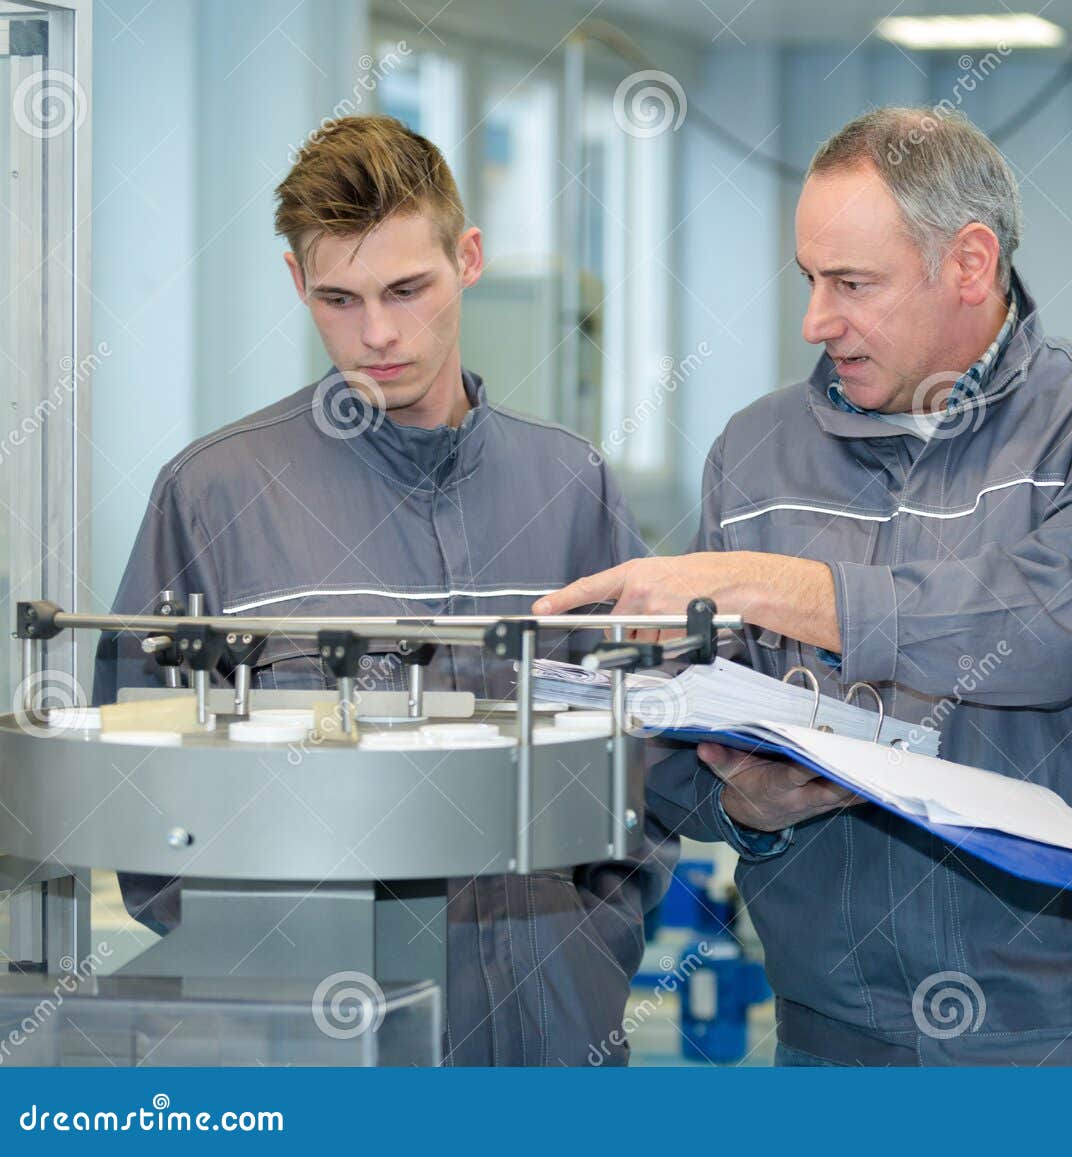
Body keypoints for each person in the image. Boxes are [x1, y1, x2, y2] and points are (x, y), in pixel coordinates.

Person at [537, 109, 1072, 1065]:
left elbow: (1051, 626)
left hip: (1057, 1040)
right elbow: (677, 733)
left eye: (852, 284)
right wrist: (743, 809)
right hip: (826, 1032)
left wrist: (776, 586)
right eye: (810, 280)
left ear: (971, 264)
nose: (816, 322)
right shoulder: (756, 451)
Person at [94, 115, 663, 1066]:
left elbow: (645, 754)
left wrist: (587, 946)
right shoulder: (212, 499)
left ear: (468, 257)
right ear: (296, 282)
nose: (379, 334)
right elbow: (142, 797)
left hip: (552, 1039)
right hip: (311, 1054)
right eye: (339, 299)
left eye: (408, 288)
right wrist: (265, 980)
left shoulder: (573, 489)